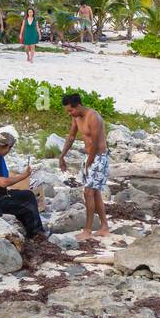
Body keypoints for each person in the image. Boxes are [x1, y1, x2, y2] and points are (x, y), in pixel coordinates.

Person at [59, 92, 110, 239]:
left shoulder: (94, 117)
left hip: (99, 157)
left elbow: (95, 142)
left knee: (89, 192)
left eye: (71, 110)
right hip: (89, 156)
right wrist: (62, 156)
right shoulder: (76, 118)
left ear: (79, 105)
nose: (70, 114)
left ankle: (87, 231)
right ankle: (104, 227)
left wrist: (90, 160)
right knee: (95, 192)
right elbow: (71, 137)